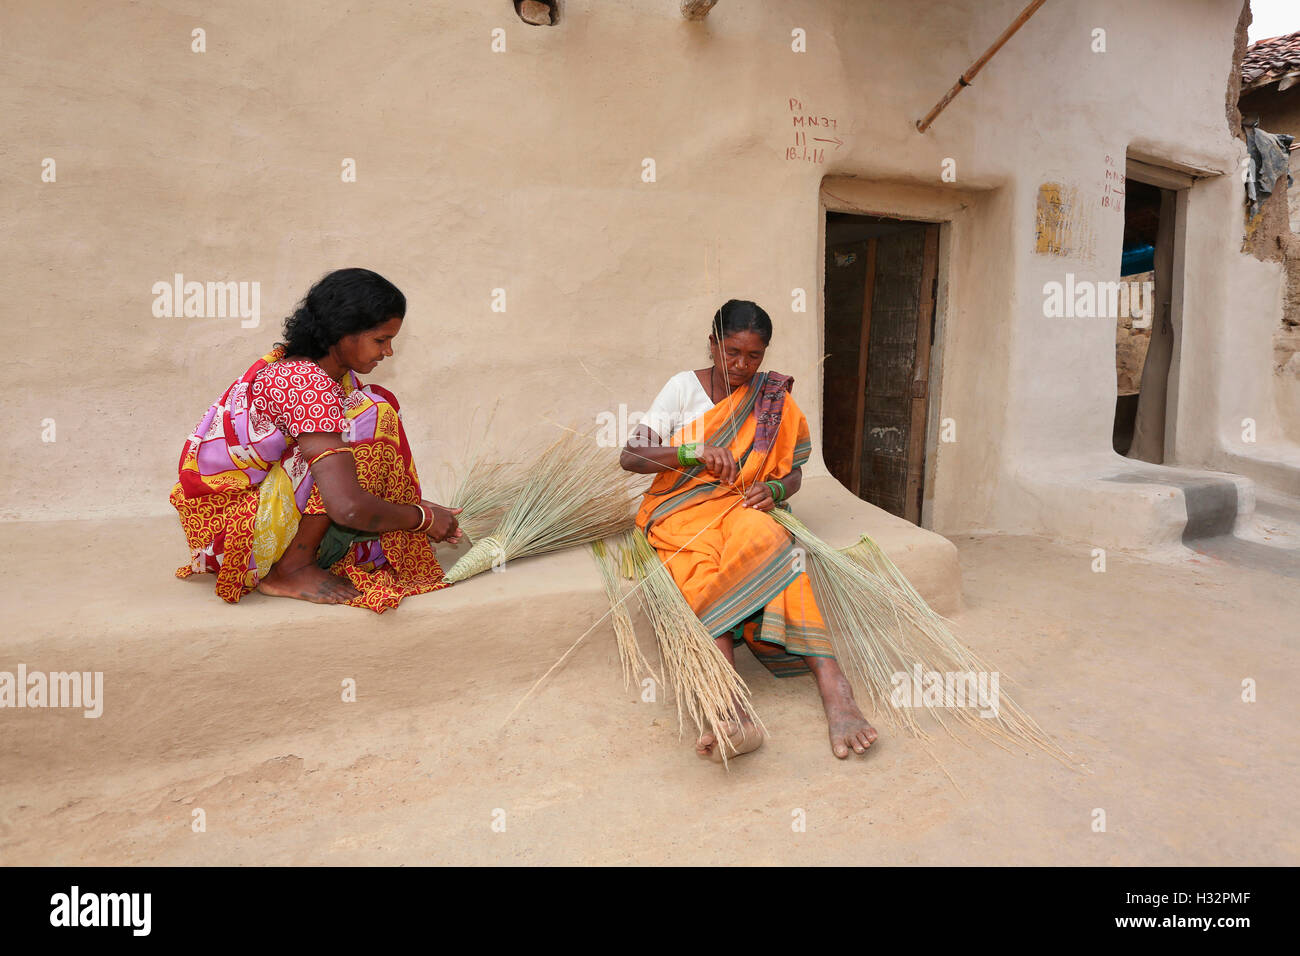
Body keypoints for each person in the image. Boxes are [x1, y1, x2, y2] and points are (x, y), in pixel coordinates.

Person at [620, 299, 878, 761]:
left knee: (768, 539)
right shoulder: (682, 388)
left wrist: (776, 492)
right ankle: (731, 706)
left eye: (753, 356)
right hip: (678, 512)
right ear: (714, 343)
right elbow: (631, 457)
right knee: (700, 566)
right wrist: (690, 452)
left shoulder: (772, 397)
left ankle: (833, 684)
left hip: (740, 504)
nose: (741, 365)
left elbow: (795, 472)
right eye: (731, 352)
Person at [170, 268, 462, 611]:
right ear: (343, 331)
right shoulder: (305, 383)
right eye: (381, 340)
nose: (389, 352)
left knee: (363, 422)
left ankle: (299, 557)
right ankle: (291, 569)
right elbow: (348, 506)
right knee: (371, 415)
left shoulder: (323, 376)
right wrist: (419, 518)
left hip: (259, 516)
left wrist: (416, 506)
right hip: (236, 532)